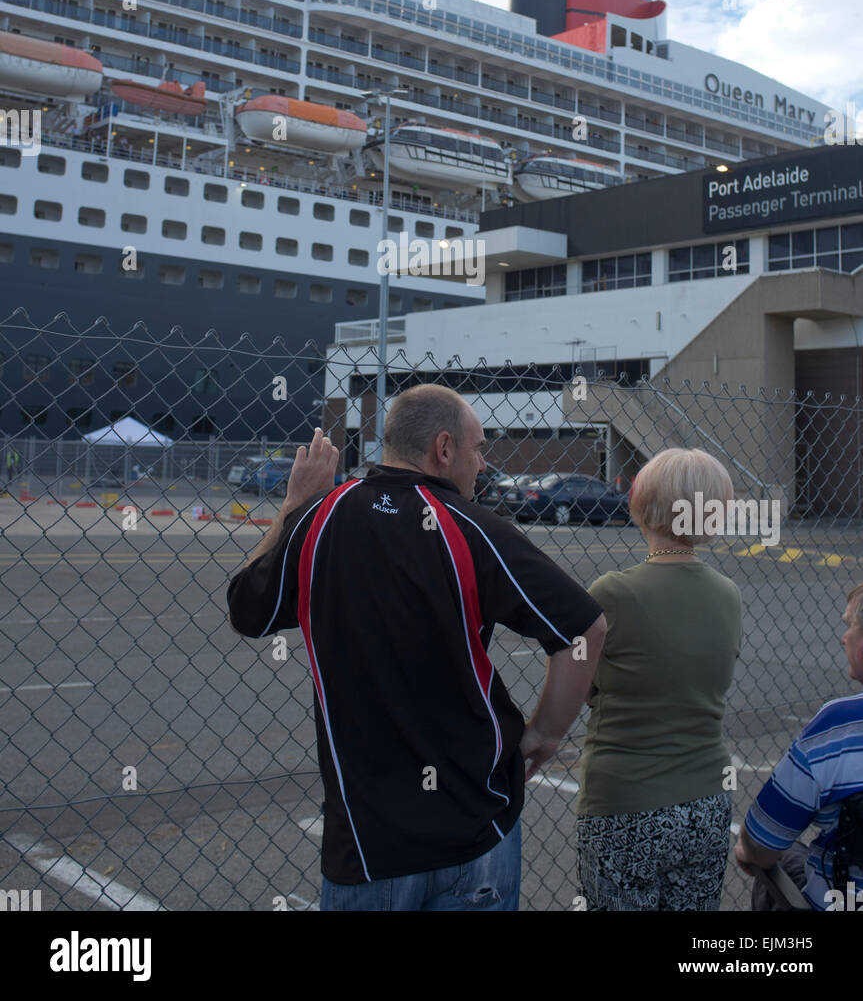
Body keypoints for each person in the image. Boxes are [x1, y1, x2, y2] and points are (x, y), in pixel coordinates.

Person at [227, 386, 606, 911]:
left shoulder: (321, 519)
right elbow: (585, 627)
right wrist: (545, 733)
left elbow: (246, 610)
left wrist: (294, 506)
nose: (483, 463)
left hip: (366, 848)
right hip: (476, 829)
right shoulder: (475, 529)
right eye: (478, 449)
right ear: (444, 449)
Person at [574, 448, 743, 910]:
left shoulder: (613, 592)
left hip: (625, 799)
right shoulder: (728, 594)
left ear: (641, 503)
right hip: (707, 797)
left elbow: (581, 685)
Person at [734, 582, 863, 909]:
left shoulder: (838, 727)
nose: (843, 637)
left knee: (776, 852)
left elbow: (761, 844)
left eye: (851, 626)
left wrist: (749, 851)